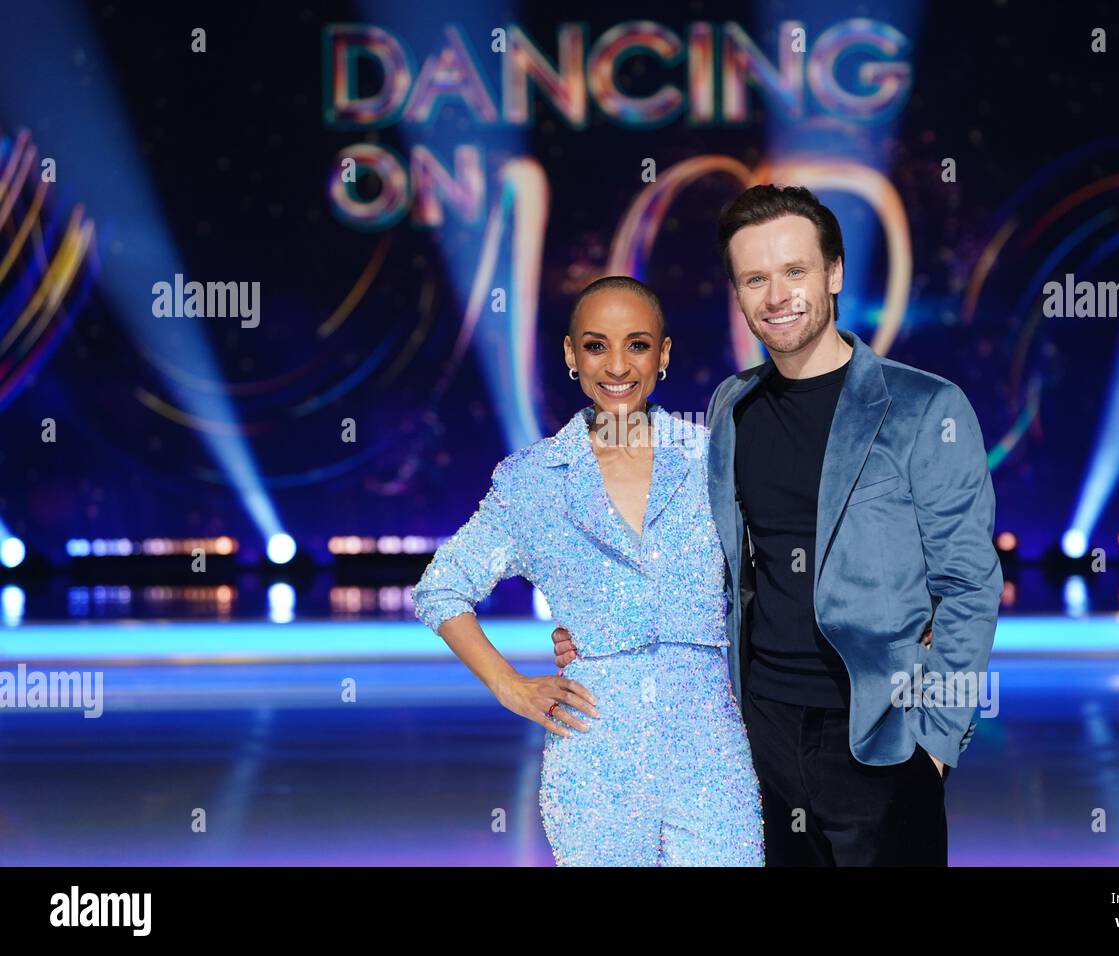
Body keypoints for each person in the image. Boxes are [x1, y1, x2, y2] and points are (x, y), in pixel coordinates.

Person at [553, 185, 1002, 866]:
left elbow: (968, 586)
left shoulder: (924, 407)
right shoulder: (733, 407)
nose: (776, 295)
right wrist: (601, 630)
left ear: (834, 274)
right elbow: (708, 561)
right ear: (737, 293)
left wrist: (935, 747)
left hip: (882, 742)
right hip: (759, 739)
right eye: (755, 278)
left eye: (794, 271)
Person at [411, 275, 763, 866]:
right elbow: (440, 590)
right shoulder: (535, 480)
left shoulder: (716, 458)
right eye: (597, 345)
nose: (618, 365)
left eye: (638, 344)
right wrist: (511, 686)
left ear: (664, 355)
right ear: (571, 355)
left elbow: (776, 574)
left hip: (712, 750)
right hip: (595, 757)